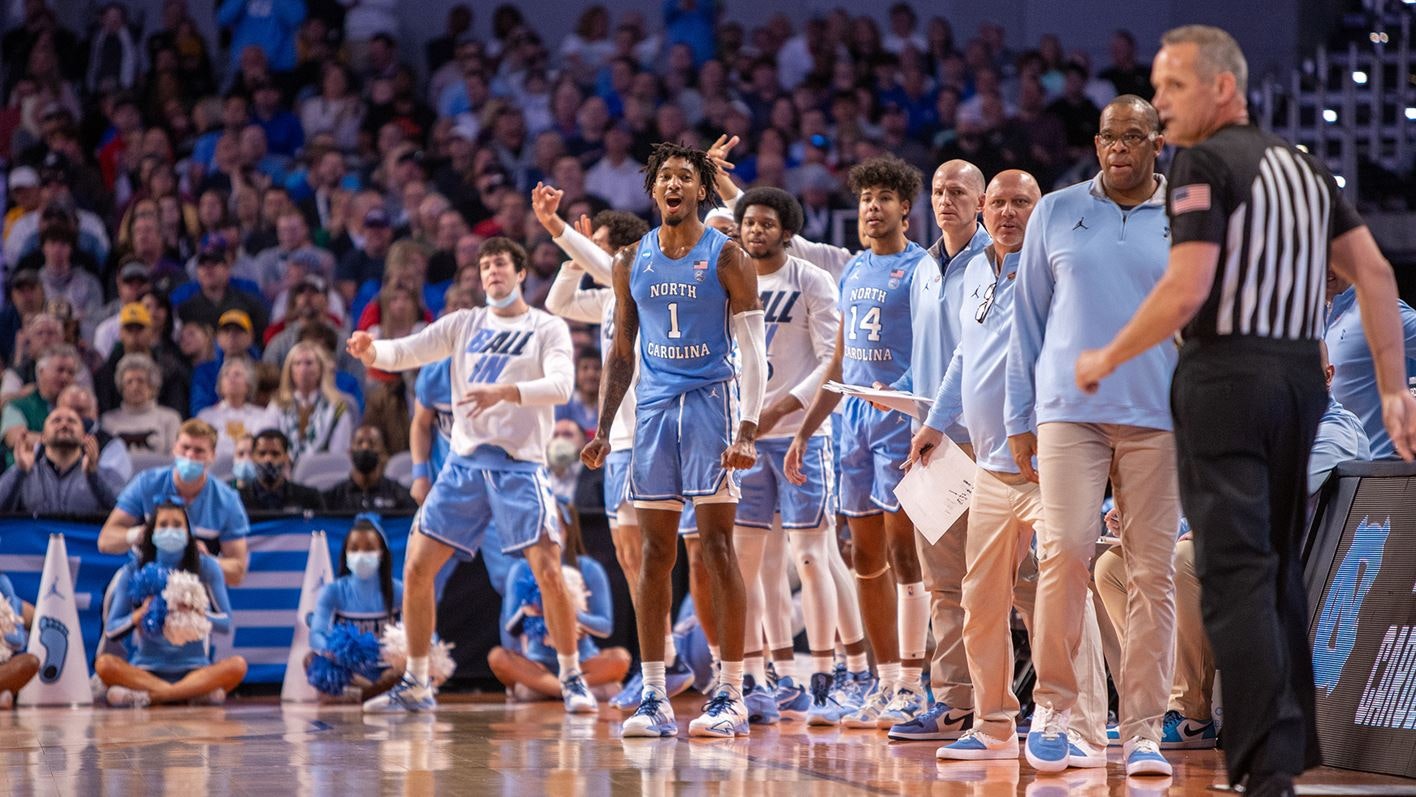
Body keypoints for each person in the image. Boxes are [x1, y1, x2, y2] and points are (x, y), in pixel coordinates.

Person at [1074, 25, 1416, 796]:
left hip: (1227, 376)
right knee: (1276, 571)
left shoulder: (1200, 162)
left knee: (1229, 574)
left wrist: (1108, 355)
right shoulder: (1303, 168)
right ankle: (1289, 748)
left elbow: (1188, 285)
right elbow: (1375, 272)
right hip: (1301, 378)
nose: (1159, 103)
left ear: (1224, 88)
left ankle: (1264, 768)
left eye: (1173, 86)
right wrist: (1393, 389)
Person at [1006, 97, 1180, 778]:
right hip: (1067, 413)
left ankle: (1142, 730)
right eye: (1109, 137)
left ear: (1156, 143)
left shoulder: (1189, 216)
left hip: (1157, 413)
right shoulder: (1055, 208)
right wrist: (1020, 416)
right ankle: (1056, 708)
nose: (1118, 148)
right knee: (1066, 552)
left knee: (1151, 574)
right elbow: (1027, 319)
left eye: (1132, 137)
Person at [346, 236, 588, 716]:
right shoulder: (462, 324)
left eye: (500, 263)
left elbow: (562, 385)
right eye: (484, 267)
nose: (492, 272)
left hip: (519, 466)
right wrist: (373, 351)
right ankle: (416, 681)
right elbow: (407, 352)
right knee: (415, 566)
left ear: (521, 273)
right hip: (463, 467)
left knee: (548, 574)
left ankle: (572, 675)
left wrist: (507, 392)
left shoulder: (546, 327)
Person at [581, 142, 767, 738]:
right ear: (653, 189)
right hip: (654, 417)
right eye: (665, 177)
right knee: (655, 556)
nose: (674, 184)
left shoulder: (729, 257)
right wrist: (603, 429)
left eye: (685, 177)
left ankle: (731, 692)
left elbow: (755, 352)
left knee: (716, 550)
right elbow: (620, 353)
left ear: (701, 191)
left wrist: (748, 428)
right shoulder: (628, 260)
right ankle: (656, 696)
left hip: (713, 407)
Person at [788, 155, 932, 730]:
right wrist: (806, 428)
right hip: (850, 425)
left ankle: (913, 685)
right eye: (867, 198)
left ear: (905, 208)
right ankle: (883, 680)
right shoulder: (851, 271)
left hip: (900, 421)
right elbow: (839, 359)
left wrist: (901, 395)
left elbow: (935, 353)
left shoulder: (923, 269)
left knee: (903, 554)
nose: (873, 207)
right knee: (862, 556)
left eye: (884, 198)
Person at [722, 187, 843, 726]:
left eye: (767, 223)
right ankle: (757, 680)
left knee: (811, 558)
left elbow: (832, 365)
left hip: (801, 435)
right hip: (743, 441)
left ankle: (826, 678)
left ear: (787, 231)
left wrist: (780, 413)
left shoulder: (812, 280)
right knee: (747, 564)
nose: (755, 231)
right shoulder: (727, 278)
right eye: (748, 223)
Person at [886, 159, 992, 744]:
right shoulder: (925, 266)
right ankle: (956, 703)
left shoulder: (994, 263)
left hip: (983, 439)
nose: (944, 200)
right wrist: (897, 393)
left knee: (1017, 577)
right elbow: (933, 354)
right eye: (937, 191)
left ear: (979, 202)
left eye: (957, 192)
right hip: (929, 442)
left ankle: (1056, 703)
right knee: (944, 584)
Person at [96, 499, 246, 707]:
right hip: (146, 670)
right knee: (104, 665)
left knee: (237, 666)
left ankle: (153, 697)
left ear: (188, 533)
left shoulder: (207, 567)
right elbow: (111, 630)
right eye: (163, 525)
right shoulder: (133, 570)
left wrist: (198, 612)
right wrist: (139, 615)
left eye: (177, 525)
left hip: (194, 670)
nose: (170, 531)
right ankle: (186, 695)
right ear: (152, 532)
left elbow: (226, 623)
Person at [489, 504, 632, 702]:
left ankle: (546, 688)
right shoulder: (521, 569)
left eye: (557, 528)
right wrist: (528, 612)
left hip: (584, 660)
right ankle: (571, 689)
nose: (551, 537)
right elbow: (510, 628)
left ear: (568, 530)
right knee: (498, 658)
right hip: (539, 662)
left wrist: (573, 616)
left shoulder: (589, 568)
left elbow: (606, 627)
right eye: (544, 530)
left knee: (620, 659)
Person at [99, 420, 251, 585]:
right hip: (144, 582)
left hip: (197, 590)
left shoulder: (227, 500)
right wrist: (142, 535)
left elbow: (237, 572)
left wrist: (198, 559)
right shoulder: (146, 483)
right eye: (185, 448)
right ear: (174, 448)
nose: (190, 456)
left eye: (199, 451)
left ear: (212, 456)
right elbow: (105, 540)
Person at [305, 514, 404, 703]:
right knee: (310, 661)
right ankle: (374, 694)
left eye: (369, 548)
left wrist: (400, 659)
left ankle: (359, 695)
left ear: (381, 552)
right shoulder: (333, 591)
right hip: (351, 671)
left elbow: (417, 633)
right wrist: (333, 651)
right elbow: (316, 634)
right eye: (354, 548)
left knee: (408, 668)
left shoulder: (398, 590)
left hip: (385, 667)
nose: (361, 554)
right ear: (346, 553)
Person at [1323, 268, 1416, 460]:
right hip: (1331, 466)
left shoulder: (1378, 310)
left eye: (1333, 259)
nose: (1326, 269)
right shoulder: (1312, 316)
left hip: (1379, 471)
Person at [0, 405, 119, 513]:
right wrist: (20, 472)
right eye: (56, 421)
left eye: (72, 421)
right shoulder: (24, 473)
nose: (64, 425)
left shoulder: (105, 474)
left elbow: (122, 515)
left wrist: (93, 477)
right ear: (43, 437)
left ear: (84, 437)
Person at [271, 341, 356, 463]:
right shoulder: (277, 404)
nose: (303, 369)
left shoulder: (337, 408)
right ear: (289, 370)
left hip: (323, 473)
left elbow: (338, 454)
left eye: (309, 363)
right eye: (297, 363)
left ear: (320, 369)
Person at [1, 343, 79, 468]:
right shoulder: (17, 406)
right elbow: (17, 438)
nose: (65, 377)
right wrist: (64, 443)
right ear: (41, 371)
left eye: (71, 372)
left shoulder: (77, 409)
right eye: (60, 370)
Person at [196, 357, 278, 459]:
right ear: (220, 385)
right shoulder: (205, 416)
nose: (231, 378)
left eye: (237, 374)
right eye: (226, 374)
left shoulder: (263, 416)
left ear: (248, 384)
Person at [101, 353, 183, 454]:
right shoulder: (108, 421)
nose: (135, 387)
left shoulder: (171, 418)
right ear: (121, 388)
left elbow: (174, 458)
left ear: (152, 386)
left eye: (141, 381)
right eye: (129, 382)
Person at [323, 424, 416, 512]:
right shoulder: (335, 496)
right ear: (350, 452)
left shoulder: (399, 495)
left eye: (372, 443)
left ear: (382, 452)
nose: (365, 447)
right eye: (359, 443)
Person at [239, 428, 325, 512]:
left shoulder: (309, 498)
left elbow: (321, 525)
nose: (268, 459)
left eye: (275, 454)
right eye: (262, 453)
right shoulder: (237, 500)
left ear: (286, 458)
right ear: (253, 458)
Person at [0, 567, 40, 708]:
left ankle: (5, 689)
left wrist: (6, 628)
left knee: (29, 663)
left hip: (3, 663)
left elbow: (17, 639)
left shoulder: (3, 586)